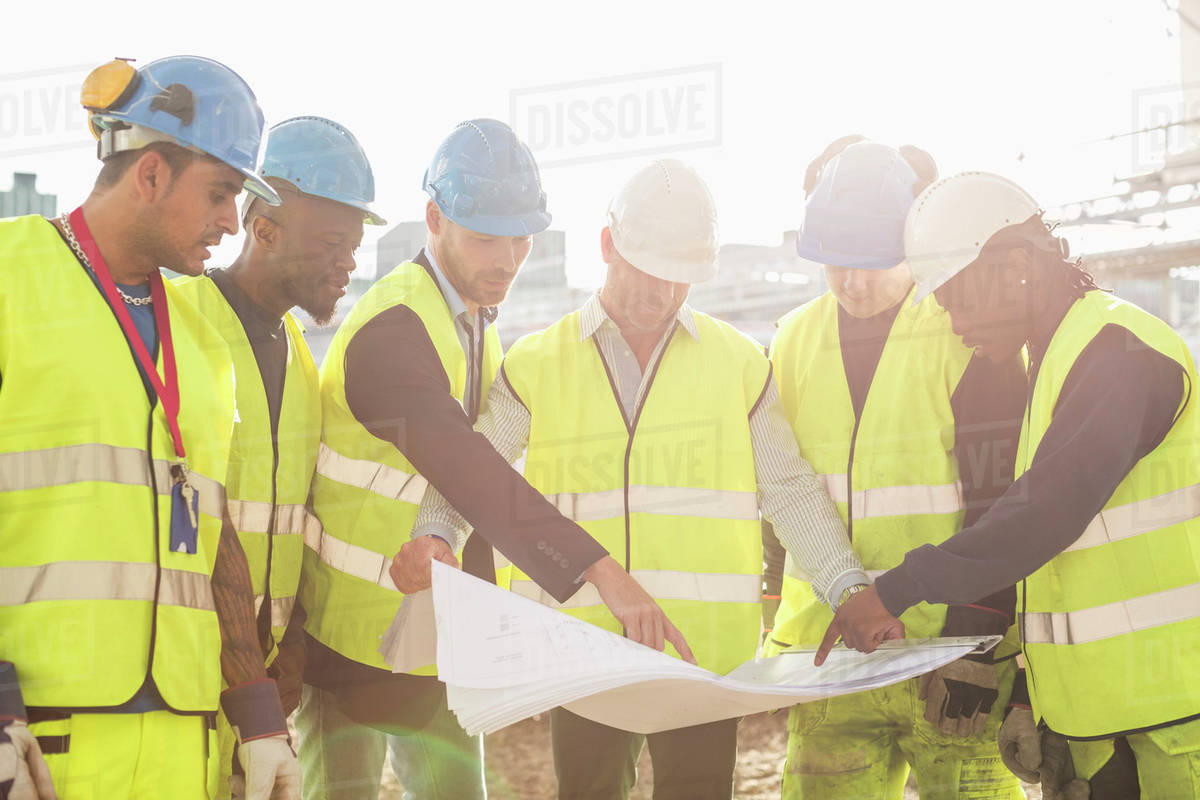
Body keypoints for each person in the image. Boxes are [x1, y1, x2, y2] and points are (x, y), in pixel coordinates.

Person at [397, 157, 868, 800]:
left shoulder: (737, 364)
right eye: (648, 269)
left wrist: (846, 584)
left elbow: (788, 489)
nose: (662, 292)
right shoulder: (538, 363)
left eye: (679, 277)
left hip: (701, 660)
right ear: (607, 246)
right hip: (580, 649)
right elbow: (472, 469)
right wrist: (435, 530)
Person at [296, 119, 684, 800]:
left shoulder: (471, 318)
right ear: (434, 220)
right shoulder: (392, 330)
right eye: (485, 238)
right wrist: (600, 570)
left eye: (520, 239)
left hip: (440, 630)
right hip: (353, 638)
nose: (507, 259)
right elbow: (468, 468)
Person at [820, 171, 1200, 799]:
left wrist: (897, 589)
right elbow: (1058, 567)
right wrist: (1030, 694)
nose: (953, 321)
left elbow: (1042, 516)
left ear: (1018, 266)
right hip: (1101, 722)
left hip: (1176, 720)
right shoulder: (1053, 360)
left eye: (960, 299)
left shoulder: (1120, 353)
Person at [0, 56, 299, 800]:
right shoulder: (11, 278)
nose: (234, 222)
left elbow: (210, 528)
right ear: (152, 175)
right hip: (39, 745)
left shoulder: (200, 332)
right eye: (222, 192)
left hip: (182, 746)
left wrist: (259, 717)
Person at [765, 140, 1027, 799]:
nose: (852, 282)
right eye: (835, 264)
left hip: (948, 654)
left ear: (914, 242)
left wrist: (979, 642)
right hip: (831, 654)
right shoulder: (793, 338)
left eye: (873, 263)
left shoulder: (964, 328)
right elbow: (785, 488)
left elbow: (1003, 499)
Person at [172, 114, 385, 798]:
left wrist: (291, 644)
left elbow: (296, 518)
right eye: (332, 243)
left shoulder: (297, 352)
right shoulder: (179, 322)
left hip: (261, 696)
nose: (348, 263)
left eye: (354, 246)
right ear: (263, 229)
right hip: (185, 679)